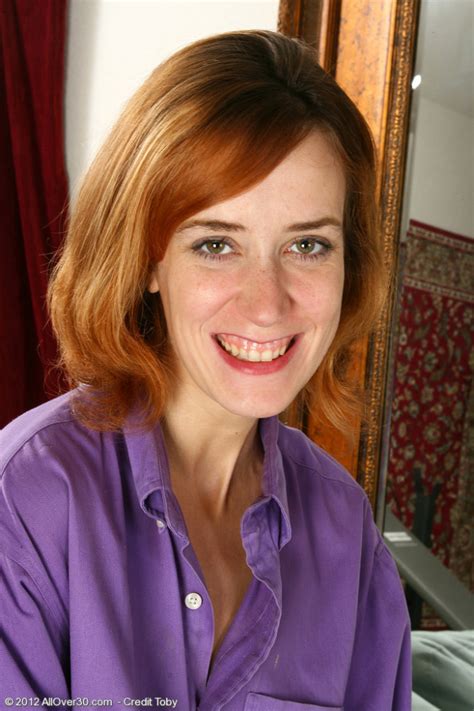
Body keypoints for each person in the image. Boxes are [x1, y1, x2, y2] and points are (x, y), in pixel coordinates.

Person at [0, 30, 411, 710]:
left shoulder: (349, 537)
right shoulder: (23, 505)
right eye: (217, 244)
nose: (267, 303)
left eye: (309, 245)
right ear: (148, 258)